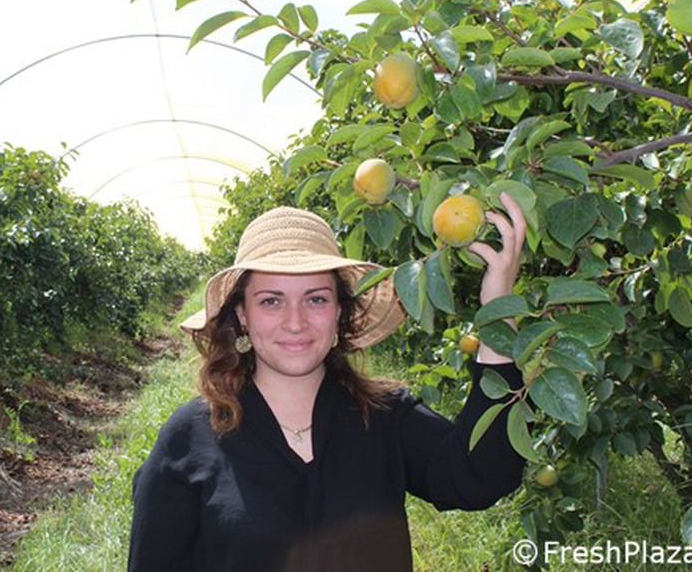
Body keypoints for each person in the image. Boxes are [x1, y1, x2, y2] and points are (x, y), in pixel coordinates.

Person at [128, 196, 528, 571]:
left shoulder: (385, 417)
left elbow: (480, 477)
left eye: (316, 298)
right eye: (271, 300)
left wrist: (498, 316)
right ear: (242, 315)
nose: (296, 321)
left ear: (339, 311)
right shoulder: (189, 439)